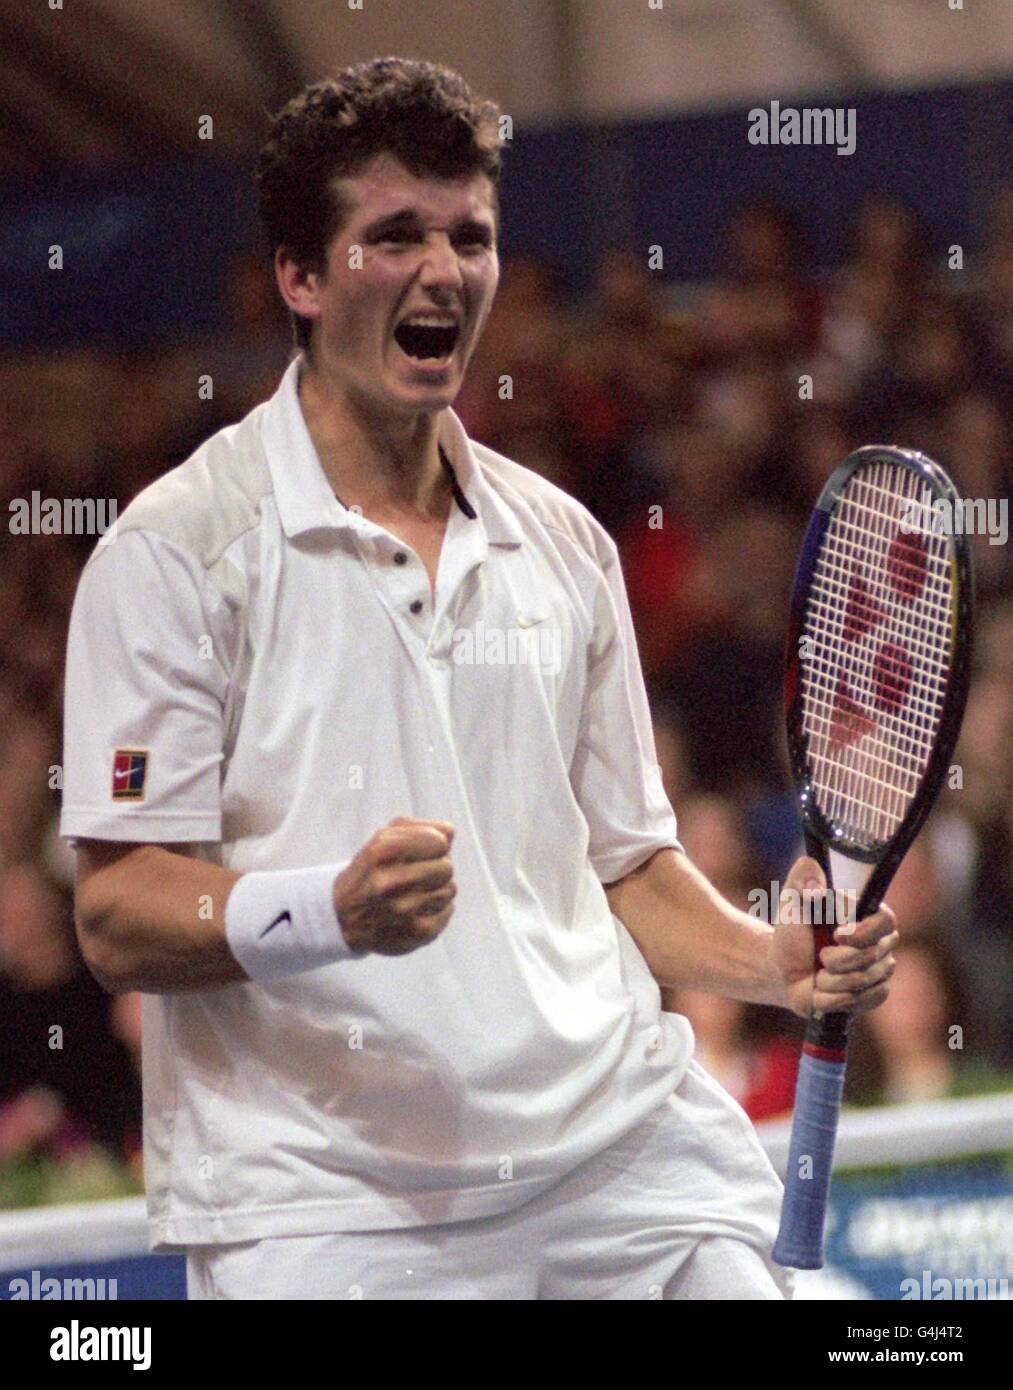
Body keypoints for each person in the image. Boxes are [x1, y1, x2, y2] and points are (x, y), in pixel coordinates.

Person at [60, 58, 897, 1301]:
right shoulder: (176, 554)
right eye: (395, 235)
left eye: (469, 236)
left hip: (615, 1155)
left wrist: (767, 960)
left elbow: (626, 865)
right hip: (331, 1201)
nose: (443, 270)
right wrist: (327, 910)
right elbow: (117, 909)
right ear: (299, 276)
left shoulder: (564, 543)